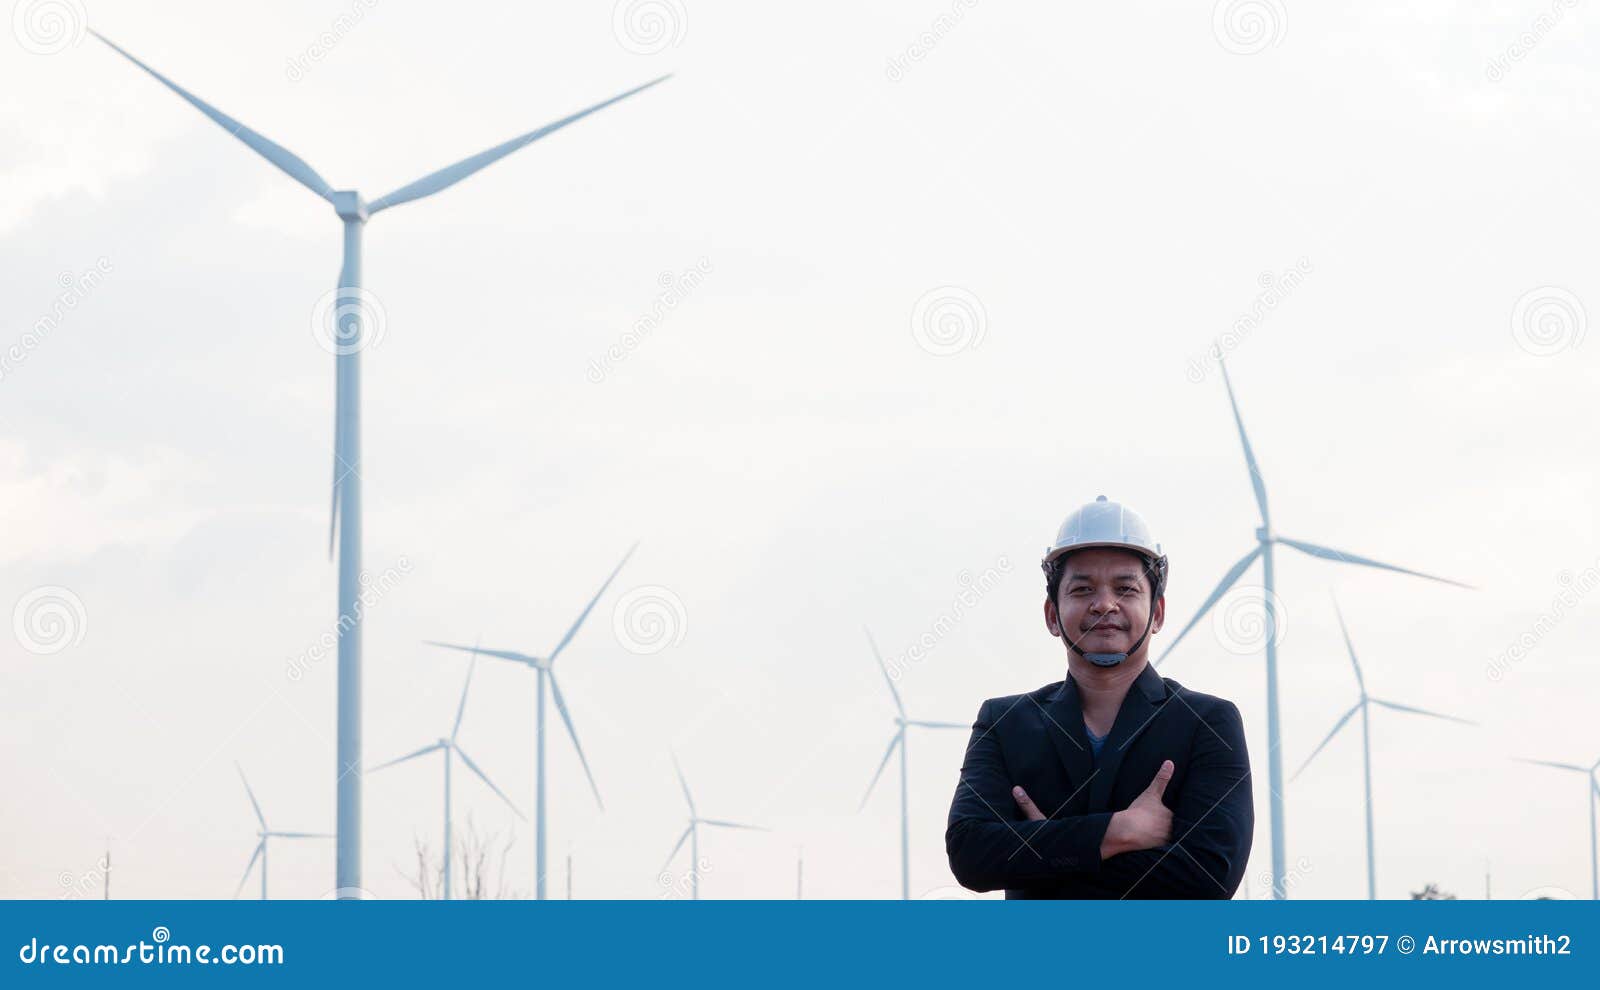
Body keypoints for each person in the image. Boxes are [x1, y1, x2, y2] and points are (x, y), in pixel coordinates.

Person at [945, 496, 1254, 898]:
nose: (1105, 604)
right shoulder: (1003, 722)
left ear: (1157, 613)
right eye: (1082, 589)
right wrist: (1120, 832)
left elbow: (1210, 874)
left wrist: (1044, 851)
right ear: (1052, 615)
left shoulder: (1208, 723)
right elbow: (970, 855)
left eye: (1126, 589)